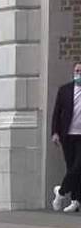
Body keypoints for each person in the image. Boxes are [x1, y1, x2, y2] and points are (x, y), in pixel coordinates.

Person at [52, 62, 81, 211]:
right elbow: (57, 113)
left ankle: (61, 192)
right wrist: (55, 132)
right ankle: (75, 200)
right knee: (72, 168)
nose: (78, 74)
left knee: (78, 166)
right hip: (68, 135)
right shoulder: (65, 90)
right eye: (77, 70)